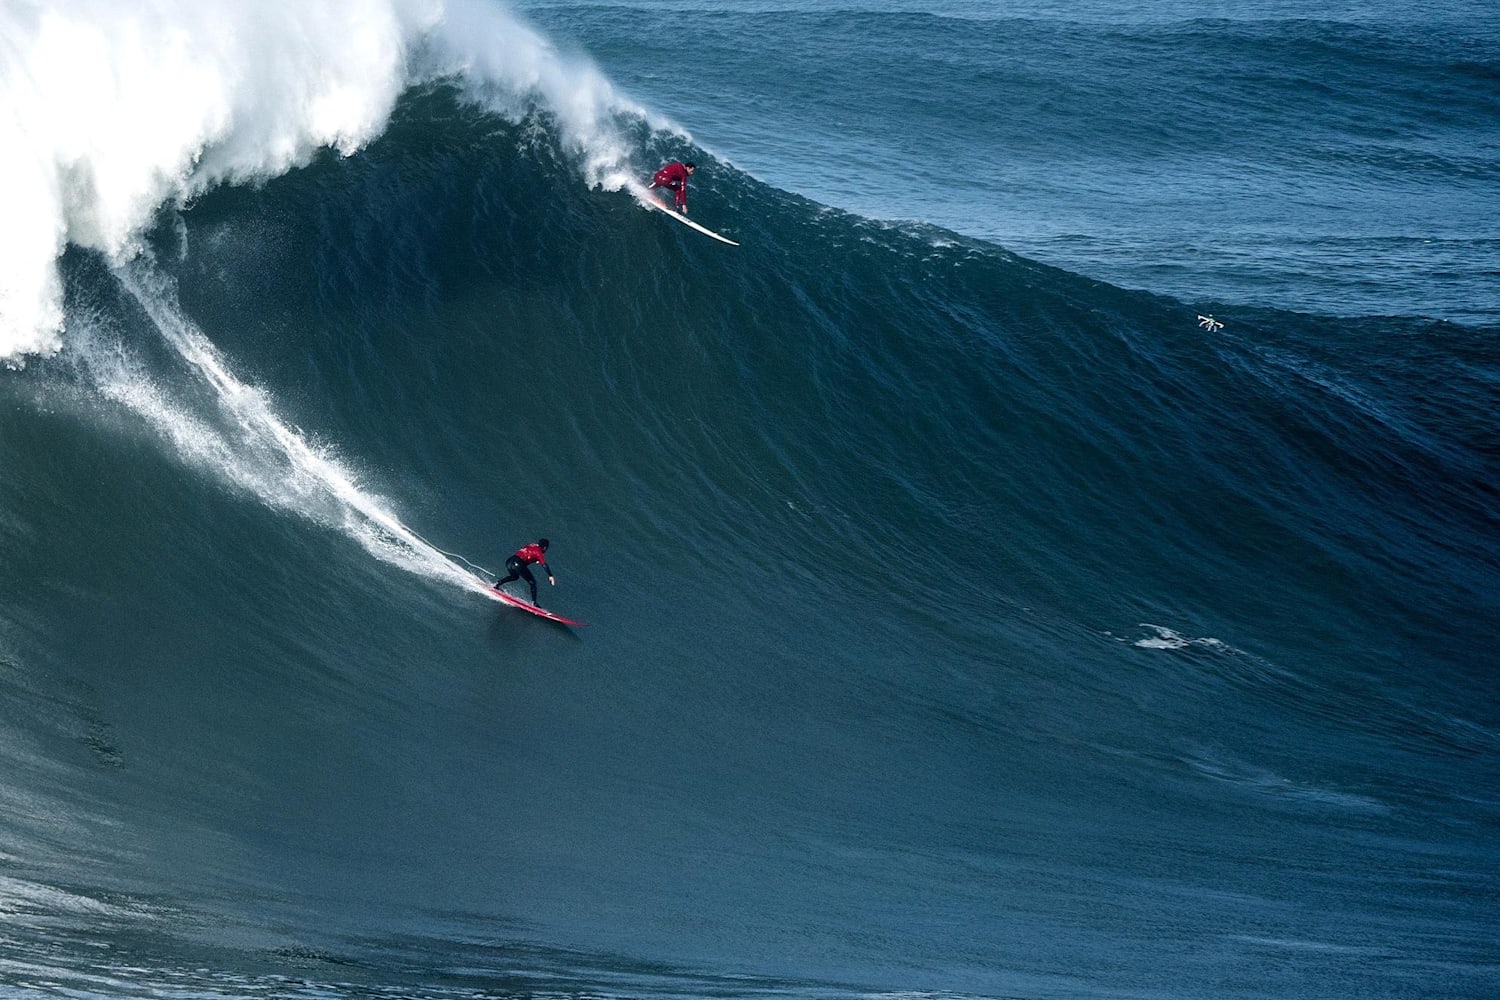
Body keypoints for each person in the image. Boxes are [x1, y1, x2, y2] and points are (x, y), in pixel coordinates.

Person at [494, 538, 555, 604]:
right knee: (532, 582)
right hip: (518, 564)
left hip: (510, 561)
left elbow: (527, 552)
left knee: (514, 577)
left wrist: (535, 559)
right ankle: (534, 603)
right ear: (545, 548)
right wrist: (550, 575)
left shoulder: (532, 545)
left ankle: (497, 584)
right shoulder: (539, 553)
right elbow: (544, 565)